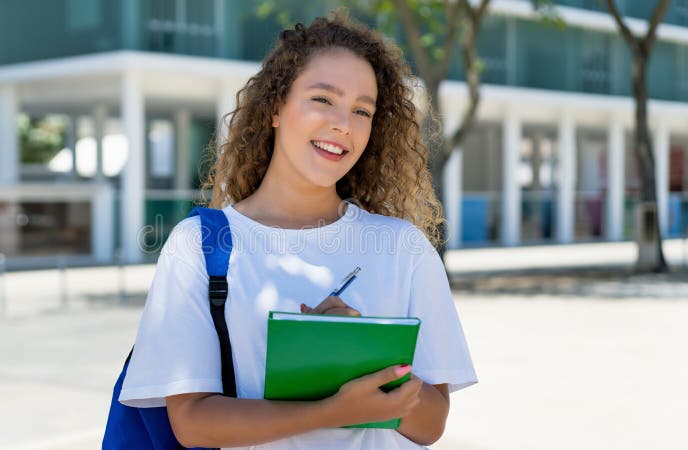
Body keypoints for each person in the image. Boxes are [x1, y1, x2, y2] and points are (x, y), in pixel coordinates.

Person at [120, 12, 477, 450]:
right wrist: (331, 411)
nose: (343, 123)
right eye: (323, 100)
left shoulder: (404, 248)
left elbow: (431, 424)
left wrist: (365, 354)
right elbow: (192, 421)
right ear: (275, 107)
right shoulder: (200, 245)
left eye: (362, 110)